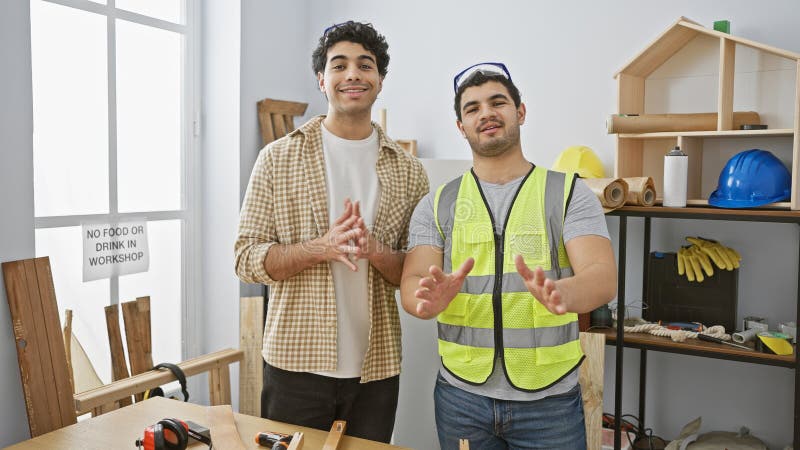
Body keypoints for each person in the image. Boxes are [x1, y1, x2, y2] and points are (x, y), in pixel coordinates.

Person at [400, 63, 616, 449]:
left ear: (520, 112)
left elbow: (601, 276)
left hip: (548, 402)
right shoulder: (437, 203)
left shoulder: (567, 193)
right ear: (460, 126)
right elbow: (412, 283)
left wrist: (565, 293)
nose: (486, 113)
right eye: (472, 108)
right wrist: (425, 300)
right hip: (461, 398)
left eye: (497, 102)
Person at [235, 21, 428, 443]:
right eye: (339, 65)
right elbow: (245, 259)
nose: (353, 74)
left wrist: (375, 250)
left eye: (365, 65)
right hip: (294, 365)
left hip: (376, 370)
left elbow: (412, 273)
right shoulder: (278, 158)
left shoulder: (409, 171)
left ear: (380, 81)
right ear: (322, 80)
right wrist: (318, 248)